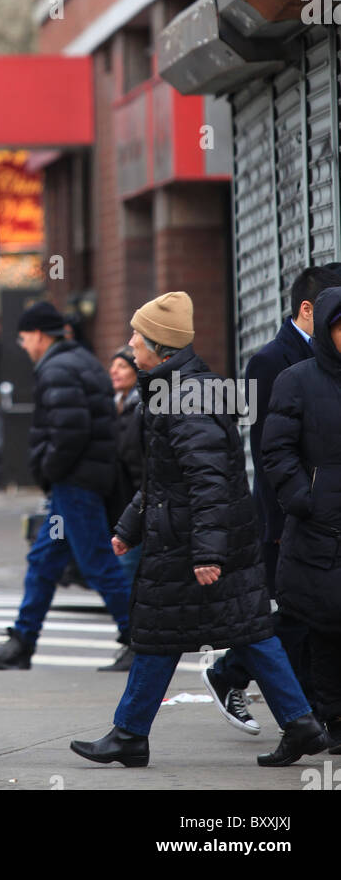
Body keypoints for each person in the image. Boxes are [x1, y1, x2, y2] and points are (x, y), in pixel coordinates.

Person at [70, 291, 329, 769]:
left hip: (200, 545)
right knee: (200, 633)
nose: (129, 344)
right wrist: (130, 527)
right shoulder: (175, 388)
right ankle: (298, 724)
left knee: (210, 633)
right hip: (189, 540)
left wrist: (208, 552)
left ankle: (132, 733)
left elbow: (209, 480)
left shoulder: (187, 397)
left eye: (136, 337)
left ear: (160, 347)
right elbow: (165, 479)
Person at [203, 262, 341, 736]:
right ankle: (233, 677)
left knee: (309, 616)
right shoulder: (269, 361)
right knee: (297, 615)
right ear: (310, 310)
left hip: (326, 517)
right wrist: (294, 509)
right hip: (289, 518)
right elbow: (270, 451)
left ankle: (309, 713)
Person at [0, 301, 131, 673]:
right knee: (44, 561)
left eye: (25, 337)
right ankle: (22, 642)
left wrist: (46, 470)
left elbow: (68, 433)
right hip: (74, 484)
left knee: (97, 563)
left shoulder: (59, 368)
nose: (23, 345)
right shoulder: (78, 361)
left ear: (41, 335)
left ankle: (138, 637)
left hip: (74, 484)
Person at [262, 284, 341, 755]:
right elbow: (276, 449)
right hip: (318, 530)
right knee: (326, 628)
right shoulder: (296, 379)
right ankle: (330, 716)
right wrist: (301, 497)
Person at [106, 345, 143, 594]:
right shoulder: (112, 406)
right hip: (117, 501)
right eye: (113, 365)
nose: (114, 371)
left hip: (138, 500)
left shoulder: (142, 406)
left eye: (122, 366)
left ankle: (129, 625)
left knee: (128, 566)